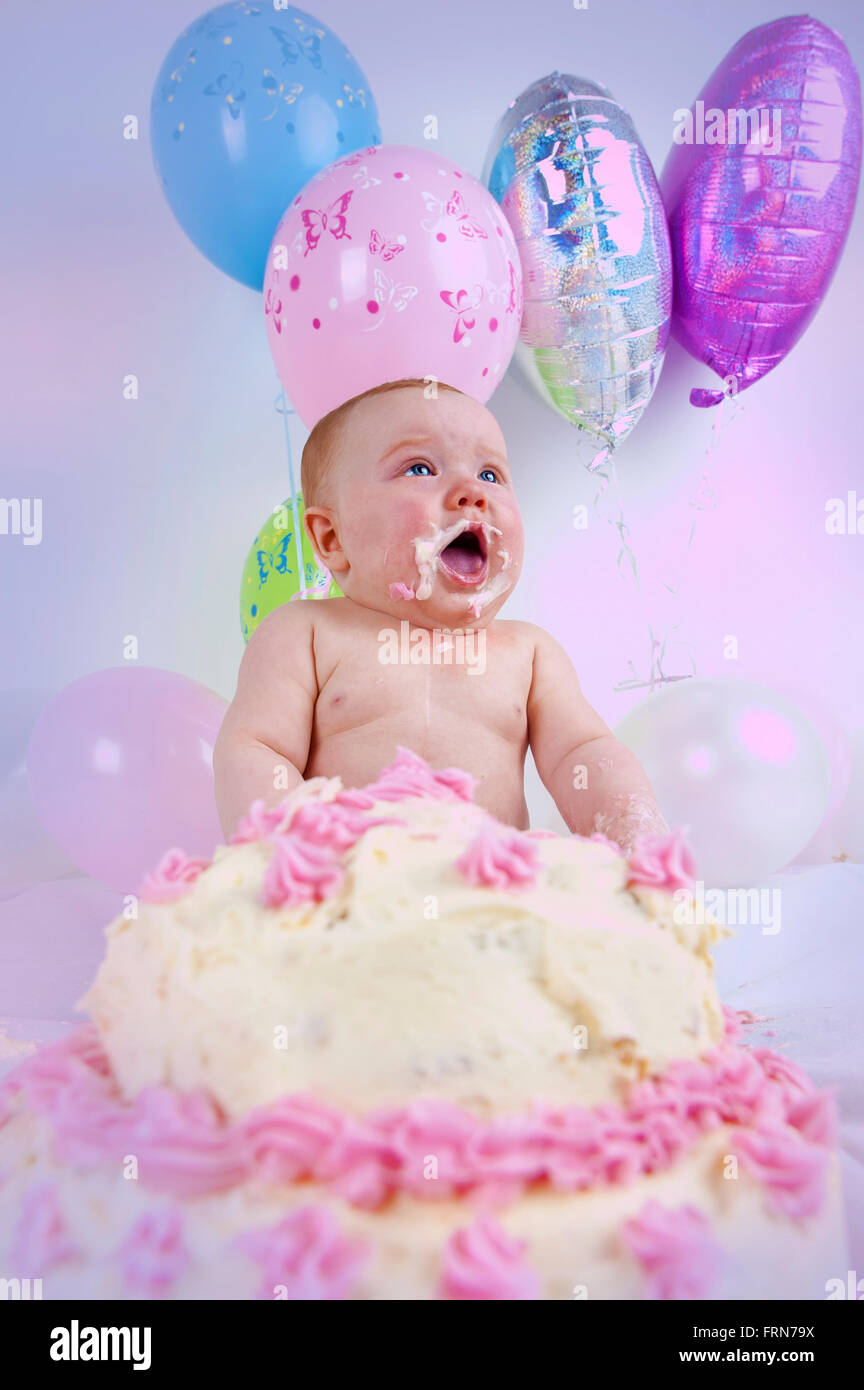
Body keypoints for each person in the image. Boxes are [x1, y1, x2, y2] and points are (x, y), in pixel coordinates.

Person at [214, 378, 669, 850]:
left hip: (489, 902)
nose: (471, 492)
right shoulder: (305, 634)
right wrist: (286, 856)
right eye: (420, 468)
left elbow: (584, 753)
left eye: (491, 475)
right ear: (332, 538)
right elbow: (257, 748)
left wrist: (631, 830)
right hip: (351, 899)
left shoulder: (530, 655)